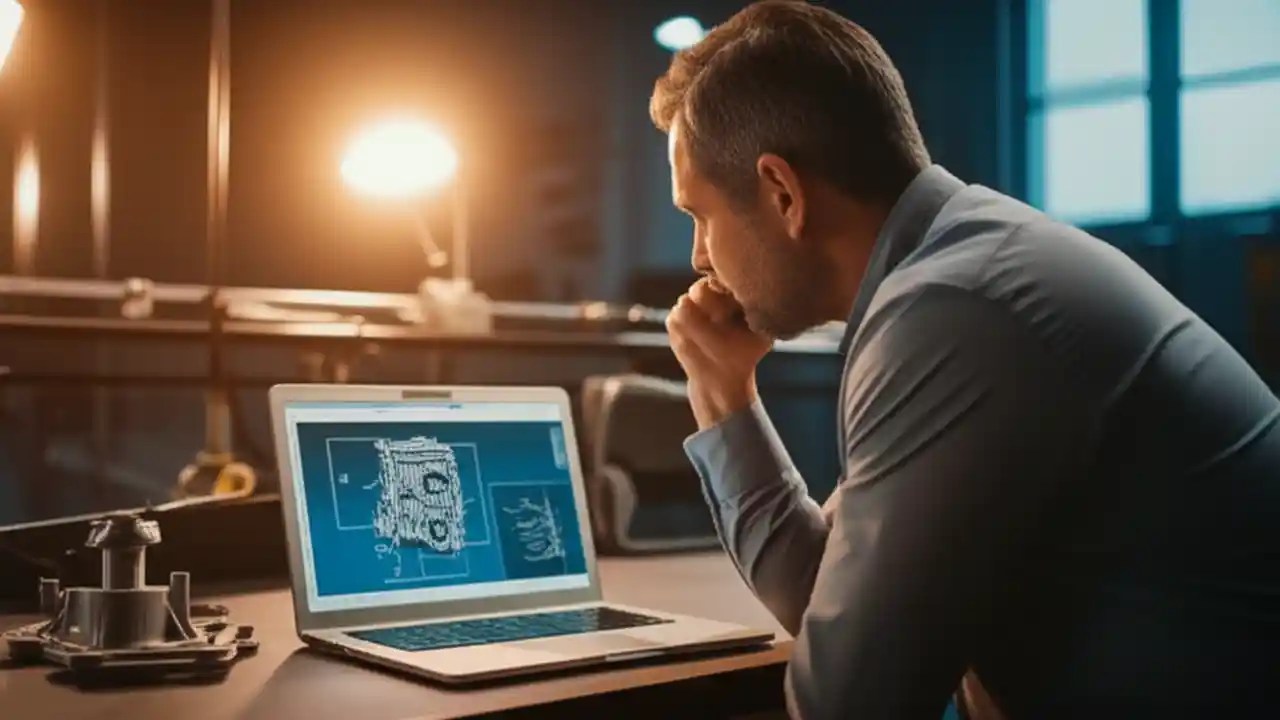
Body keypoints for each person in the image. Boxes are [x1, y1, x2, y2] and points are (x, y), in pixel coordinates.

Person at [652, 1, 1280, 718]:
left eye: (698, 216)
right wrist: (725, 396)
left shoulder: (951, 310)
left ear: (783, 193)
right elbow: (840, 606)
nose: (698, 257)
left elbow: (849, 700)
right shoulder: (962, 269)